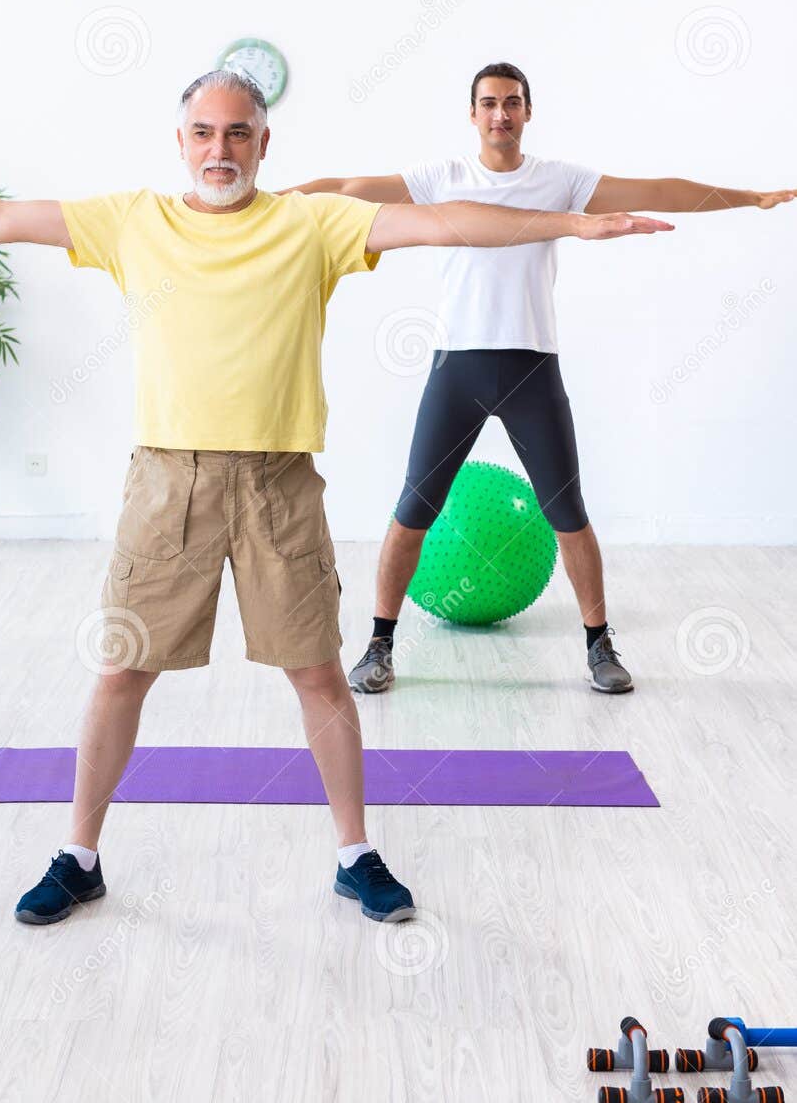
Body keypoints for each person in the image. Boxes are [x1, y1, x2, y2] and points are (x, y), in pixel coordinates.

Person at [0, 69, 671, 926]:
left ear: (264, 142)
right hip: (168, 482)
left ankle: (354, 853)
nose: (220, 148)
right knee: (122, 670)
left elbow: (444, 223)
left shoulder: (313, 224)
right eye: (204, 132)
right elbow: (3, 217)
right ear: (181, 142)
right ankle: (79, 858)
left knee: (318, 675)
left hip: (279, 482)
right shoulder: (133, 222)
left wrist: (570, 224)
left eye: (237, 132)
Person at [288, 61, 795, 697]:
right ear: (472, 114)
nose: (501, 113)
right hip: (458, 366)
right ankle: (379, 645)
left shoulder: (559, 180)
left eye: (513, 102)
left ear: (529, 112)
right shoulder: (441, 177)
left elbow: (659, 189)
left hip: (532, 366)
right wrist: (271, 200)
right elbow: (349, 184)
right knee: (414, 508)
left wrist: (748, 199)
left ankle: (599, 645)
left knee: (568, 513)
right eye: (489, 103)